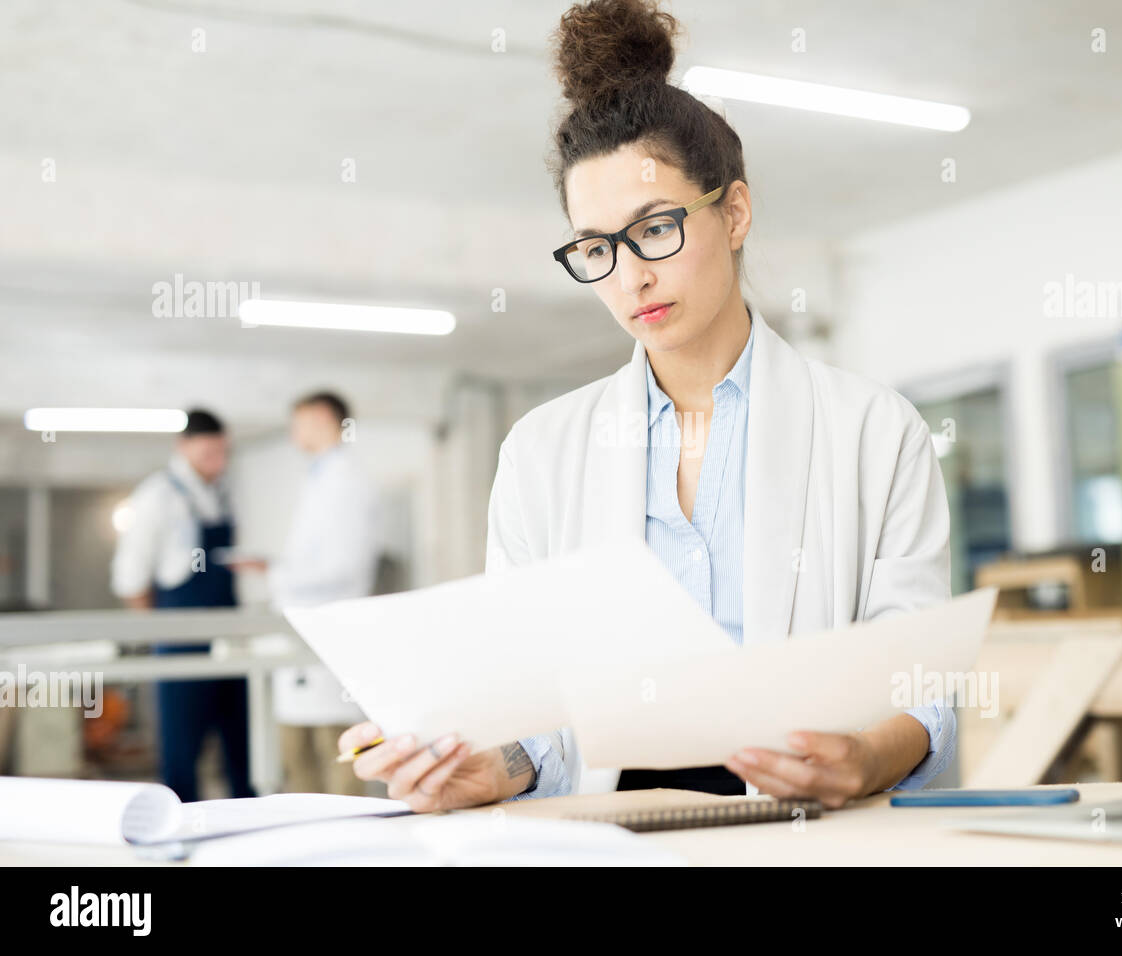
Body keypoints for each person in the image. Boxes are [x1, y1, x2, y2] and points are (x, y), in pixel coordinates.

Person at [339, 0, 955, 811]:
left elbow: (920, 680)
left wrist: (866, 757)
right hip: (609, 831)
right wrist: (496, 767)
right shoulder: (541, 451)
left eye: (655, 229)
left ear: (732, 212)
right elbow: (533, 706)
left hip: (814, 827)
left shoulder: (873, 431)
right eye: (596, 248)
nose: (630, 278)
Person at [111, 409, 255, 802]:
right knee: (181, 743)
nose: (218, 461)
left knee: (240, 737)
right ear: (184, 447)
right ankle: (177, 826)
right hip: (178, 632)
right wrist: (156, 632)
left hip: (228, 630)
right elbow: (130, 575)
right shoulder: (158, 494)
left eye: (222, 452)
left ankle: (248, 822)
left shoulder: (223, 493)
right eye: (209, 453)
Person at [242, 392, 379, 795]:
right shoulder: (321, 476)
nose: (293, 432)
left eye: (298, 421)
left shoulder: (347, 480)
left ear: (322, 418)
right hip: (305, 634)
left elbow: (343, 567)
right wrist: (280, 573)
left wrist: (277, 573)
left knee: (339, 755)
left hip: (330, 633)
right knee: (298, 757)